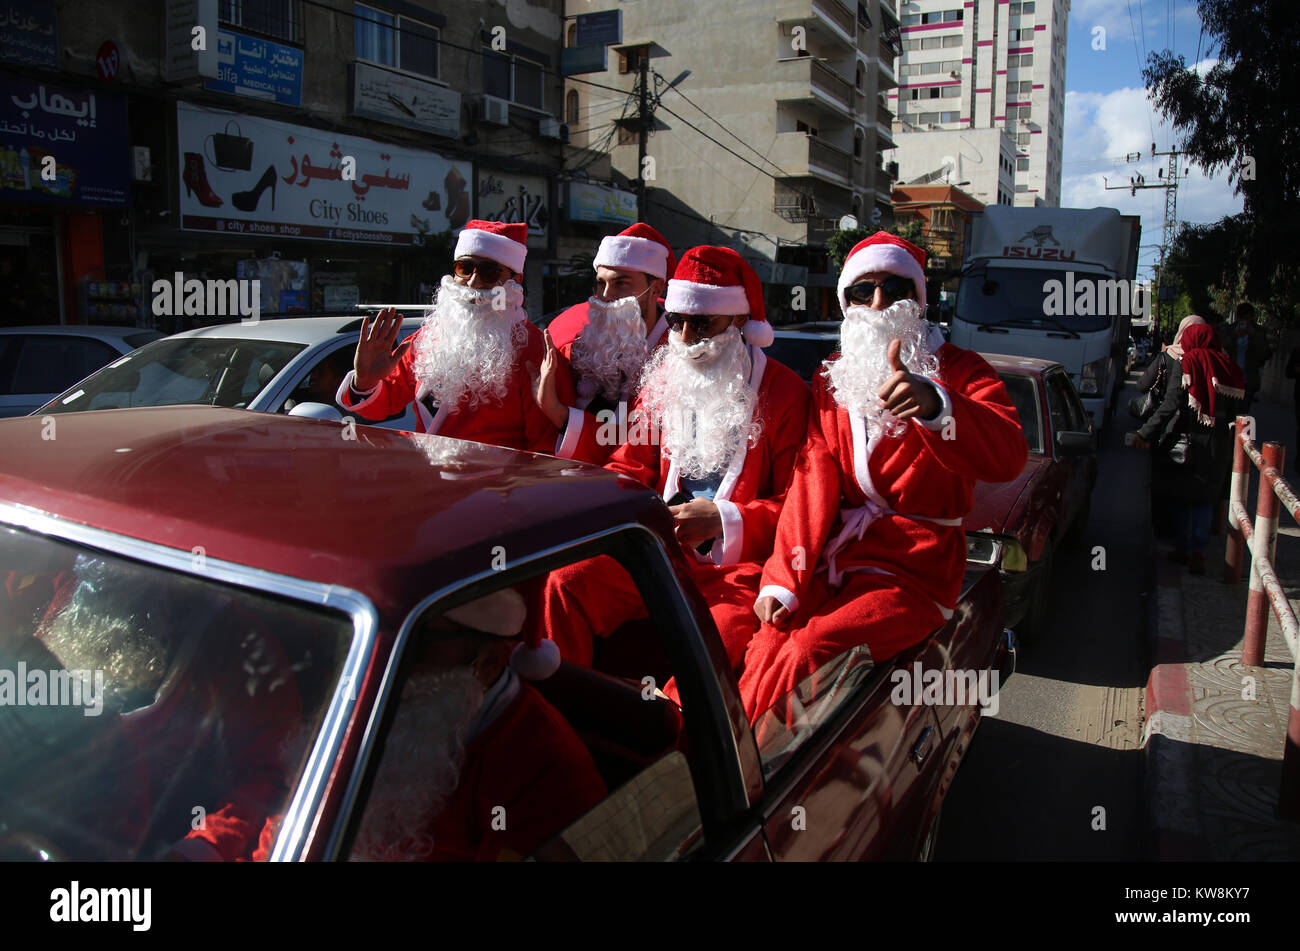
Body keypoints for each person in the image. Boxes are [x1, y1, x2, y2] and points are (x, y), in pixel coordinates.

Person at [740, 232, 1028, 722]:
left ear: (918, 299)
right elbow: (812, 481)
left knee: (809, 649)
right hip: (840, 558)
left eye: (894, 289)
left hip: (916, 570)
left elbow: (1009, 456)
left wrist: (939, 407)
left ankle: (752, 781)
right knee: (769, 637)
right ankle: (724, 754)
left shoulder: (958, 370)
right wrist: (783, 580)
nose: (878, 303)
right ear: (846, 301)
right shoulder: (834, 374)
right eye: (862, 291)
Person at [540, 246, 810, 675]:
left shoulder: (786, 394)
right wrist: (601, 505)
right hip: (663, 551)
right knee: (566, 582)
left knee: (708, 655)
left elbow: (800, 509)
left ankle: (681, 736)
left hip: (735, 573)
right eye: (678, 322)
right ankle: (564, 711)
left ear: (739, 321)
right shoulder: (666, 377)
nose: (684, 339)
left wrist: (723, 519)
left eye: (702, 324)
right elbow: (630, 465)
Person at [348, 588, 605, 862]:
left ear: (489, 661)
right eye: (379, 632)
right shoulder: (355, 689)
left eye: (417, 642)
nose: (387, 657)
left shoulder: (547, 770)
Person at [335, 220, 558, 452]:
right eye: (465, 268)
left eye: (489, 272)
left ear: (516, 280)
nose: (473, 282)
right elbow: (382, 405)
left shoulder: (533, 349)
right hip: (429, 480)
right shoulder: (428, 337)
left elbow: (544, 447)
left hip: (496, 485)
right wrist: (366, 381)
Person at [535, 223, 680, 464]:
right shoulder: (582, 340)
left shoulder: (676, 354)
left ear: (656, 289)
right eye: (601, 283)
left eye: (621, 284)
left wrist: (559, 413)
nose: (606, 296)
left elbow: (635, 452)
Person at [1131, 323, 1245, 575]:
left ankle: (1183, 549)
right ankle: (1200, 553)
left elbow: (1170, 403)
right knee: (1205, 500)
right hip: (1217, 446)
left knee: (1183, 498)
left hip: (1188, 443)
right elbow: (1237, 414)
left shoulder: (1187, 362)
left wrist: (1144, 432)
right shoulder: (1228, 366)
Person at [1137, 315, 1207, 539]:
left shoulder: (1173, 356)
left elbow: (1144, 386)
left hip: (1168, 431)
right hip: (1205, 438)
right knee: (1197, 494)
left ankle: (1165, 532)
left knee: (1163, 485)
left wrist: (1145, 432)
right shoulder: (1216, 359)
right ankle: (1192, 545)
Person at [1219, 302, 1272, 412]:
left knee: (1243, 413)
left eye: (1248, 318)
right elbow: (1220, 349)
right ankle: (1231, 428)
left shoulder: (1259, 331)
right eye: (1242, 318)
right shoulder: (1229, 330)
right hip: (1230, 379)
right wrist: (1233, 337)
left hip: (1248, 380)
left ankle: (1240, 429)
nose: (1245, 321)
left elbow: (1265, 353)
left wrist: (1254, 336)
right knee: (1230, 412)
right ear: (1237, 317)